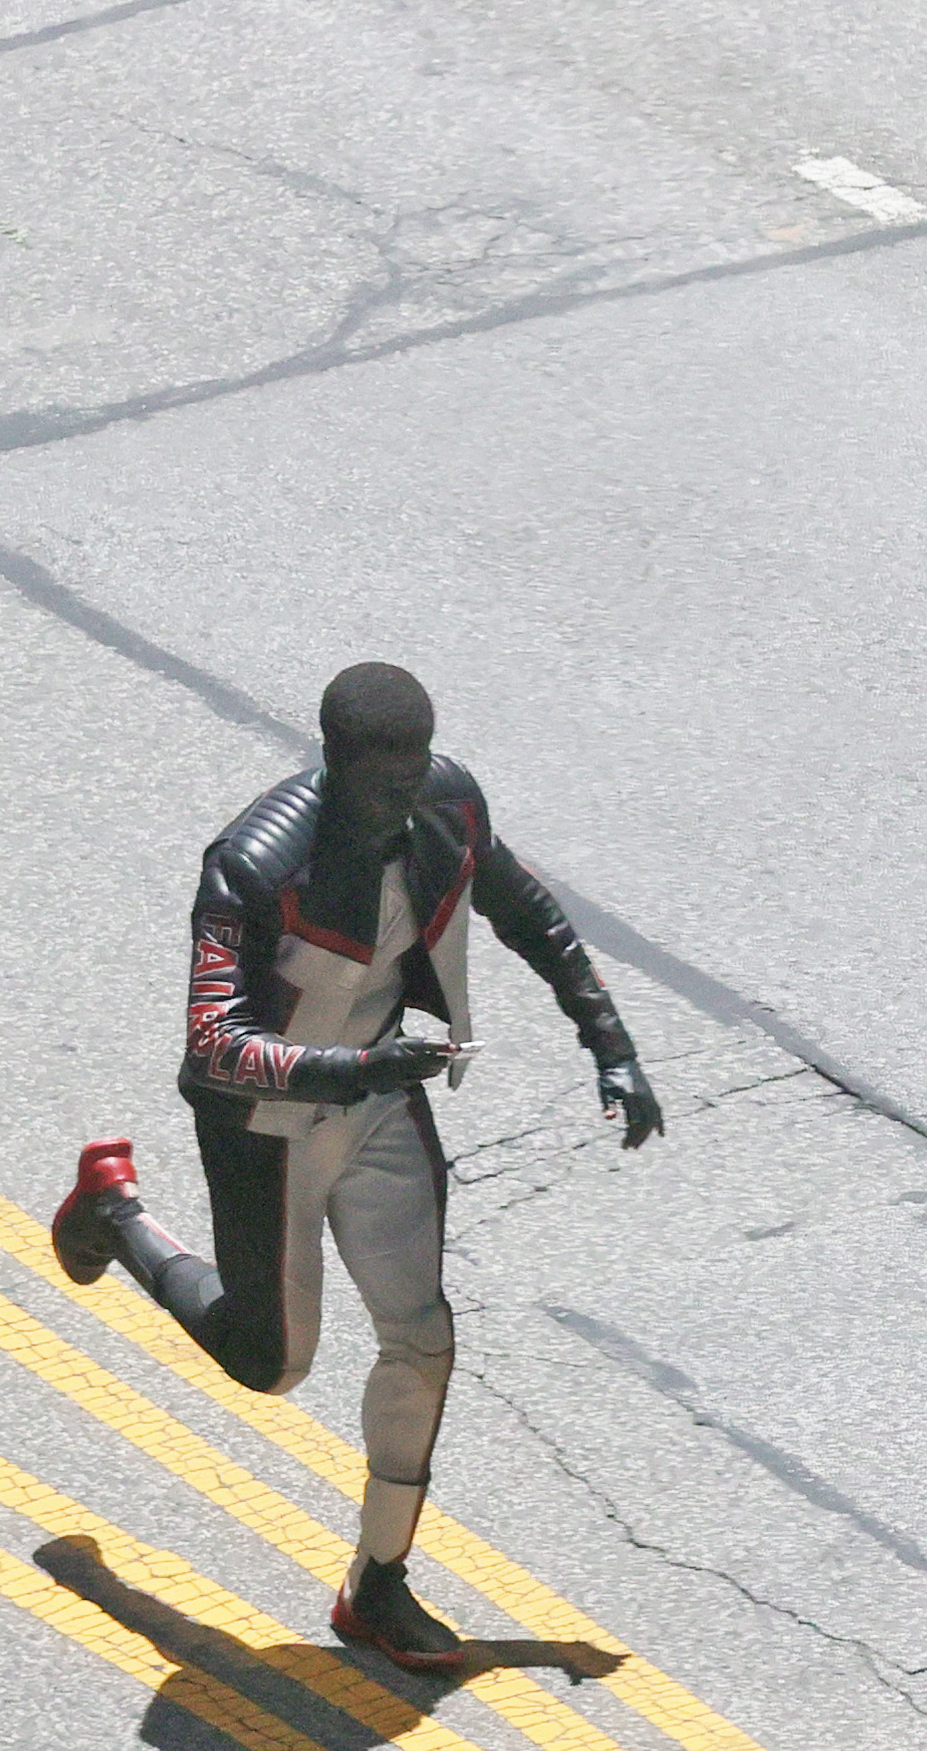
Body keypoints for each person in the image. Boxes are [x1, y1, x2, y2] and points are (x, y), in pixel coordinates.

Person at [49, 662, 662, 1671]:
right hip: (263, 1124)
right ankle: (114, 1214)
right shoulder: (252, 863)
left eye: (415, 773)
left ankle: (377, 1584)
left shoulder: (446, 805)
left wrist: (613, 1044)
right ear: (335, 770)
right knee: (271, 1363)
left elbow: (529, 913)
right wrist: (352, 1065)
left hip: (376, 1100)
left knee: (421, 1337)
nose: (402, 802)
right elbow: (212, 1044)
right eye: (383, 784)